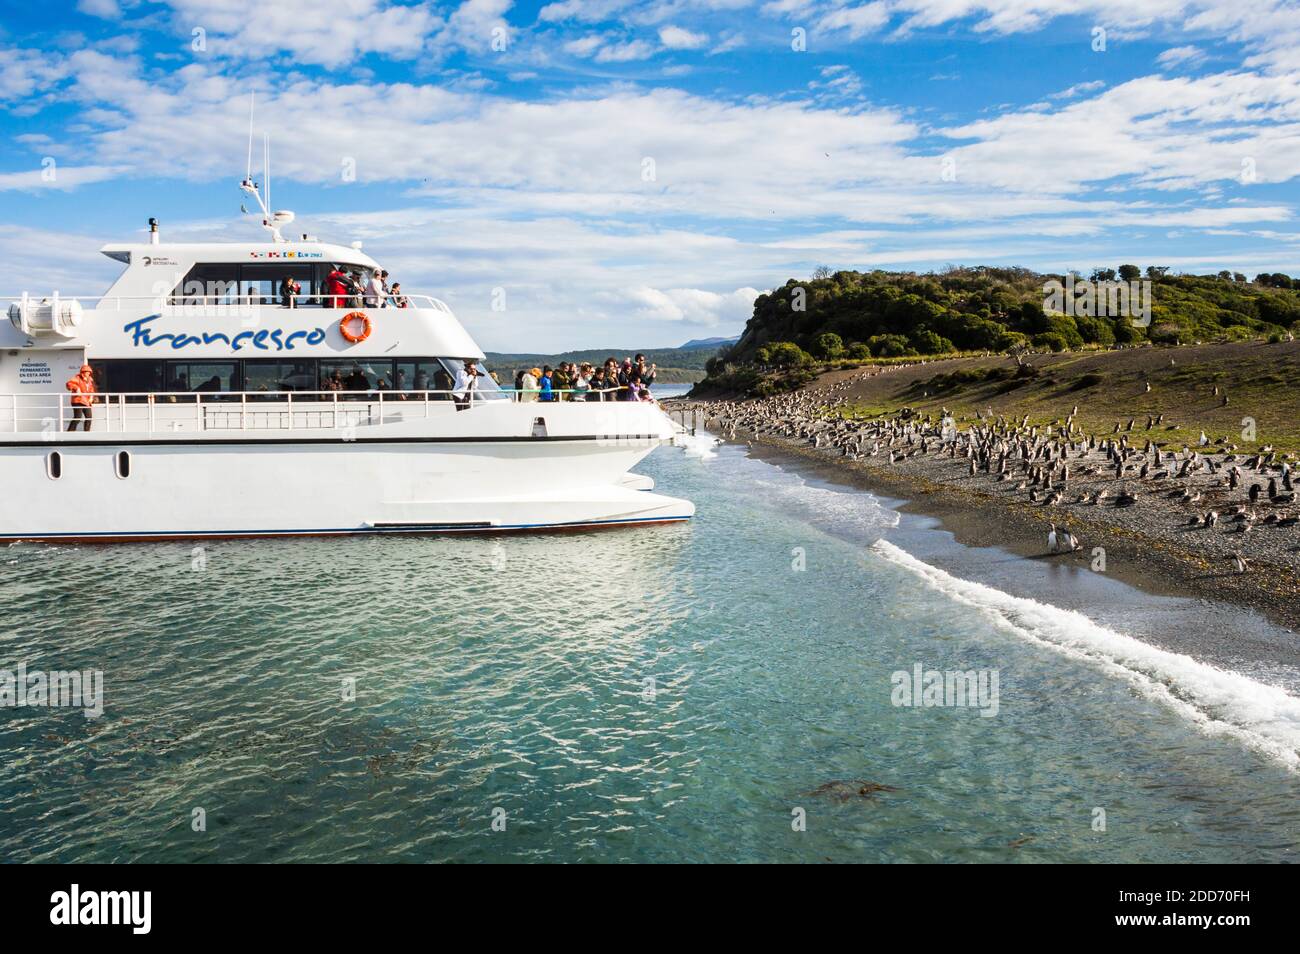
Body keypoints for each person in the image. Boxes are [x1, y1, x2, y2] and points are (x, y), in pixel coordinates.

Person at [65, 364, 97, 431]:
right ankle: (69, 432)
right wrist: (76, 388)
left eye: (89, 372)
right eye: (87, 372)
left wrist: (91, 397)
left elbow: (91, 390)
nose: (88, 373)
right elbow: (69, 384)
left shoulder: (90, 380)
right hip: (77, 401)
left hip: (86, 402)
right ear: (83, 372)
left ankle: (86, 433)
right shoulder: (77, 378)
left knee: (89, 417)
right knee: (78, 417)